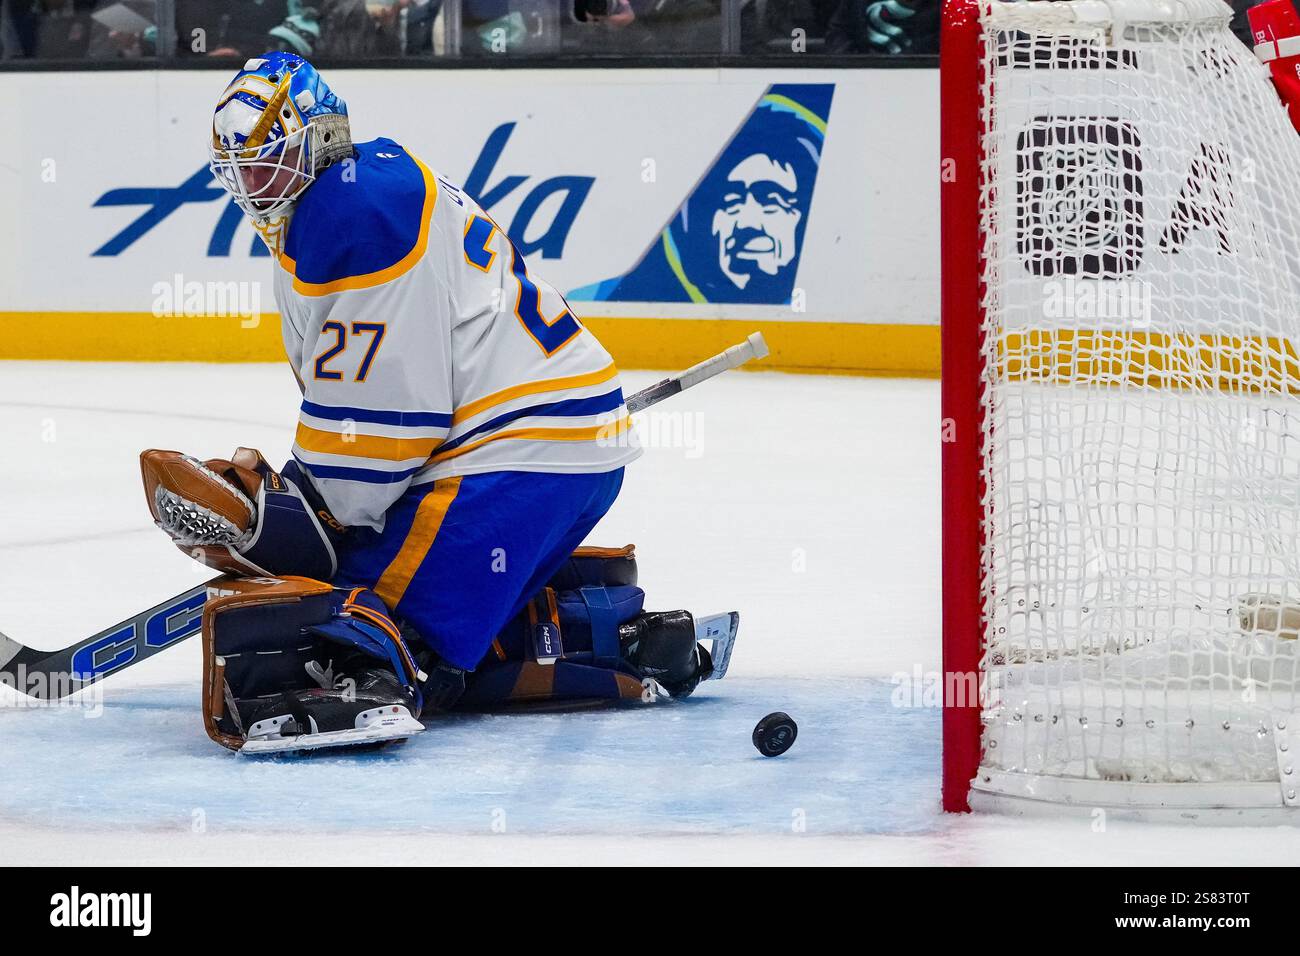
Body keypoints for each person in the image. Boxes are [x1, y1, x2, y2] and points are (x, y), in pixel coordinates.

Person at [139, 52, 732, 753]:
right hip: (546, 450)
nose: (254, 188)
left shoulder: (353, 210)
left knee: (347, 625)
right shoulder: (365, 191)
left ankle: (365, 685)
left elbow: (384, 428)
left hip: (516, 457)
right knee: (426, 624)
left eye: (268, 164)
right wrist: (303, 506)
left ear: (322, 139)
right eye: (239, 173)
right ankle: (619, 637)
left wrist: (300, 516)